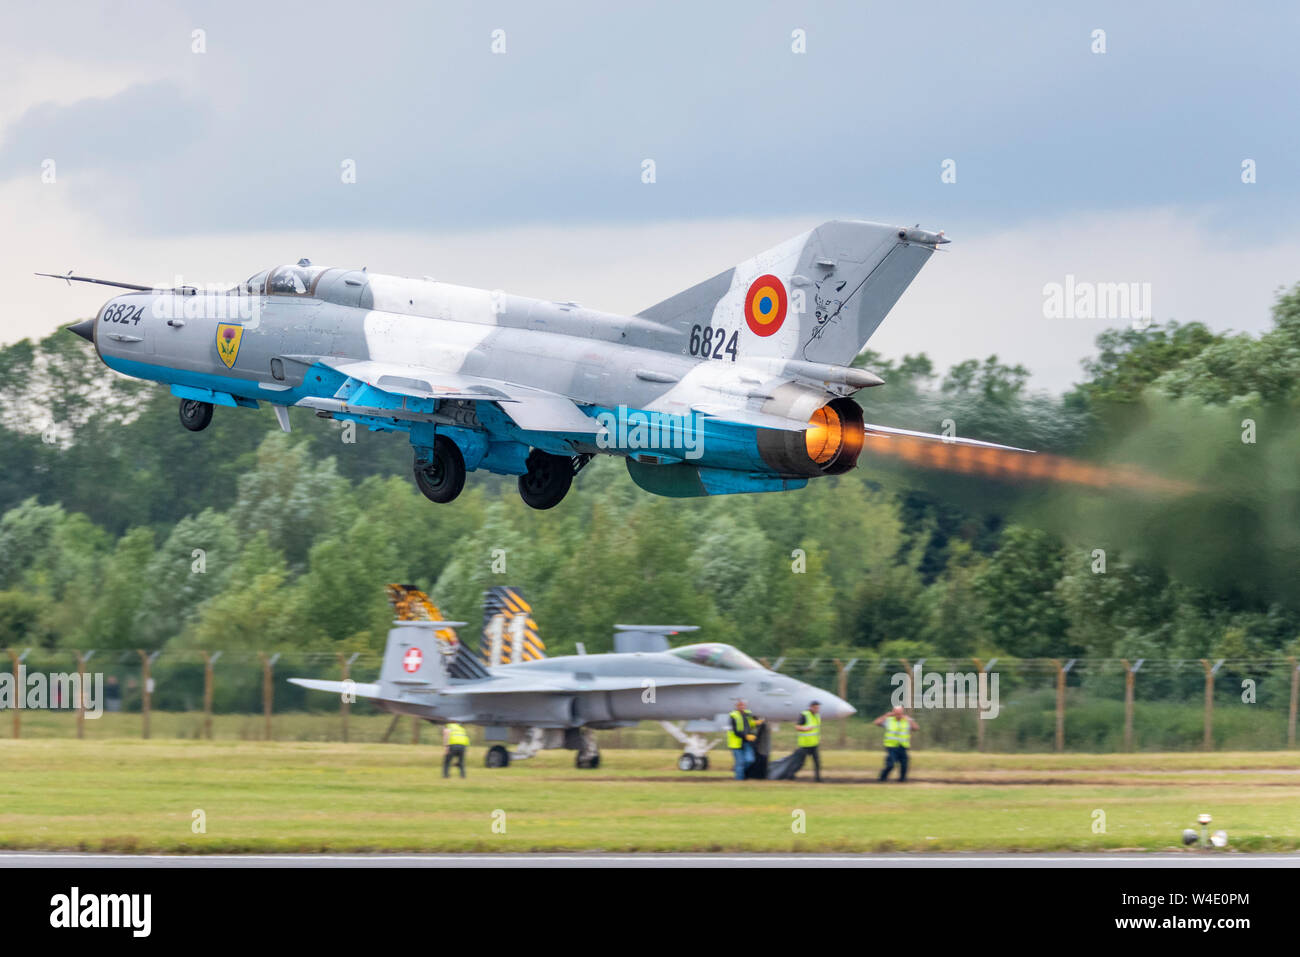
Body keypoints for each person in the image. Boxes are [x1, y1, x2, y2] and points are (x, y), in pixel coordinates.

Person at [873, 705, 918, 782]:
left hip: (903, 746)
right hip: (891, 747)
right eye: (896, 713)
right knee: (890, 765)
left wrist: (910, 720)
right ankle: (882, 778)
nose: (898, 715)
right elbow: (876, 722)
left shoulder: (906, 720)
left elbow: (916, 728)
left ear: (902, 713)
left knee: (904, 765)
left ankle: (902, 780)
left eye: (900, 713)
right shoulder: (889, 720)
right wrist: (886, 716)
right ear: (893, 712)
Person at [726, 699, 762, 780]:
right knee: (740, 762)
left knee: (750, 760)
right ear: (736, 706)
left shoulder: (747, 714)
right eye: (740, 705)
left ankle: (740, 772)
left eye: (743, 705)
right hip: (736, 743)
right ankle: (739, 780)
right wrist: (746, 736)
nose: (742, 707)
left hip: (747, 742)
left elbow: (749, 724)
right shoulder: (733, 716)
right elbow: (735, 730)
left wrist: (755, 723)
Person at [794, 701, 823, 782]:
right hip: (805, 745)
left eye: (818, 707)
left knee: (817, 762)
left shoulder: (817, 716)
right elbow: (797, 727)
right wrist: (805, 729)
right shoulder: (804, 715)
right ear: (811, 707)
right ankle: (790, 775)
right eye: (816, 707)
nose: (817, 709)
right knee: (800, 763)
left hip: (814, 744)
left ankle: (818, 779)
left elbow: (816, 730)